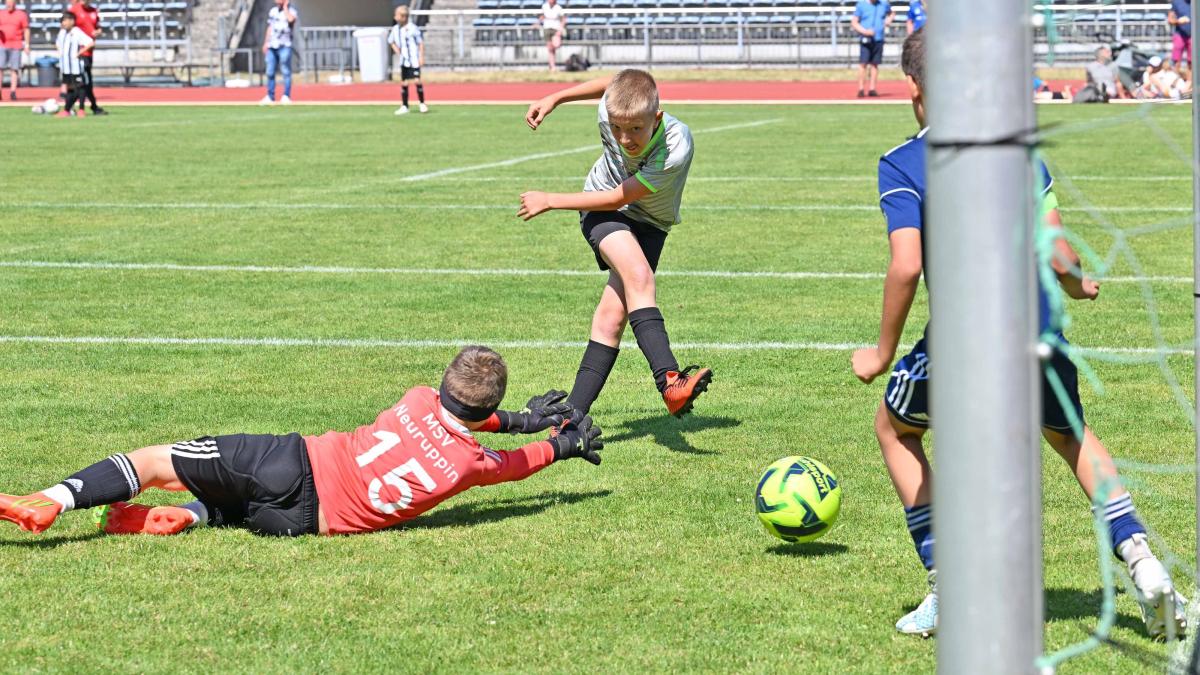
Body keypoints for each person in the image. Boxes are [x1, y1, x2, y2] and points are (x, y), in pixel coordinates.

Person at [851, 29, 1188, 639]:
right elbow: (1058, 252)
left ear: (915, 89)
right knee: (1070, 436)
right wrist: (1077, 286)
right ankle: (1142, 558)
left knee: (894, 428)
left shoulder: (902, 163)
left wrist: (880, 353)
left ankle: (949, 584)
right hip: (1038, 325)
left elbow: (906, 265)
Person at [0, 346, 605, 538]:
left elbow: (461, 417)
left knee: (157, 461)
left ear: (444, 384)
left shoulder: (417, 398)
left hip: (294, 464)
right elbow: (516, 463)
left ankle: (52, 499)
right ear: (488, 409)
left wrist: (523, 418)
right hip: (301, 523)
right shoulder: (471, 465)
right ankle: (189, 516)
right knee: (234, 505)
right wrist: (560, 443)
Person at [520, 70, 713, 420]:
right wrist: (555, 98)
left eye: (636, 128)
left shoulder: (675, 145)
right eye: (616, 128)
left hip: (648, 222)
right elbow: (611, 83)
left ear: (656, 118)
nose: (625, 138)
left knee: (612, 316)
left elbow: (621, 196)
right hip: (601, 209)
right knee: (639, 275)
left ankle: (570, 418)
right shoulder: (613, 110)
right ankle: (670, 381)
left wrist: (550, 199)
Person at [67, 0, 105, 115]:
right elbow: (66, 26)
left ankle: (71, 107)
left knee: (85, 81)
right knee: (82, 82)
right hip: (79, 52)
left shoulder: (93, 11)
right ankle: (88, 107)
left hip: (89, 51)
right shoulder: (74, 9)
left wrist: (98, 31)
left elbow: (98, 26)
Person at [388, 5, 426, 115]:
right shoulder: (395, 29)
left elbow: (420, 43)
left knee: (417, 80)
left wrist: (421, 56)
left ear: (404, 17)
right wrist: (398, 51)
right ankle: (405, 106)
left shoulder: (413, 28)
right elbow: (391, 41)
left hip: (414, 60)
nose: (395, 17)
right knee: (404, 83)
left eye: (397, 15)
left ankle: (422, 103)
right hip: (404, 61)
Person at [851, 0, 893, 98]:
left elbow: (891, 13)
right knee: (863, 64)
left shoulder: (883, 4)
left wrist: (889, 20)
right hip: (866, 39)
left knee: (875, 64)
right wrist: (865, 31)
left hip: (878, 39)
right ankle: (861, 89)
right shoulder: (861, 4)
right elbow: (854, 22)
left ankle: (872, 89)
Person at [54, 11, 92, 118]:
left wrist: (79, 53)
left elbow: (90, 42)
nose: (63, 23)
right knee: (70, 89)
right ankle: (67, 110)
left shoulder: (77, 32)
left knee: (80, 87)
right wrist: (60, 52)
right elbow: (57, 43)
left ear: (72, 21)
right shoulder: (62, 33)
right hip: (66, 67)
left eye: (65, 21)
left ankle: (81, 109)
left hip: (76, 67)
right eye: (62, 21)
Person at [260, 0, 297, 106]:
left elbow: (291, 20)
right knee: (270, 71)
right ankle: (270, 96)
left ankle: (286, 95)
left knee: (285, 71)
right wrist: (266, 42)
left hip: (285, 45)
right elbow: (270, 27)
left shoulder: (292, 11)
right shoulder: (273, 11)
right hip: (272, 45)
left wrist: (285, 7)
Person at [0, 0, 29, 101]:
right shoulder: (1, 14)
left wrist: (27, 45)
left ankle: (13, 91)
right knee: (0, 68)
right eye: (8, 3)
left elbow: (26, 29)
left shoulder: (21, 14)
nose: (9, 5)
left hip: (16, 44)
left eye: (11, 3)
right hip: (2, 44)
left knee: (14, 69)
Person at [540, 0, 566, 73]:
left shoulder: (558, 7)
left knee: (556, 45)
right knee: (550, 49)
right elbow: (542, 16)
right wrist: (537, 23)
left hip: (555, 28)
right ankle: (552, 66)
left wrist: (560, 30)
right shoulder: (544, 6)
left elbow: (563, 19)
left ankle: (552, 65)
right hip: (547, 28)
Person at [1169, 0, 1192, 68]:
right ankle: (1176, 75)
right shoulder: (1177, 2)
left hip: (1194, 35)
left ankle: (1190, 75)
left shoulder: (1197, 2)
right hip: (1180, 34)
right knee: (1176, 60)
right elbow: (1170, 19)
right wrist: (1179, 21)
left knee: (1193, 61)